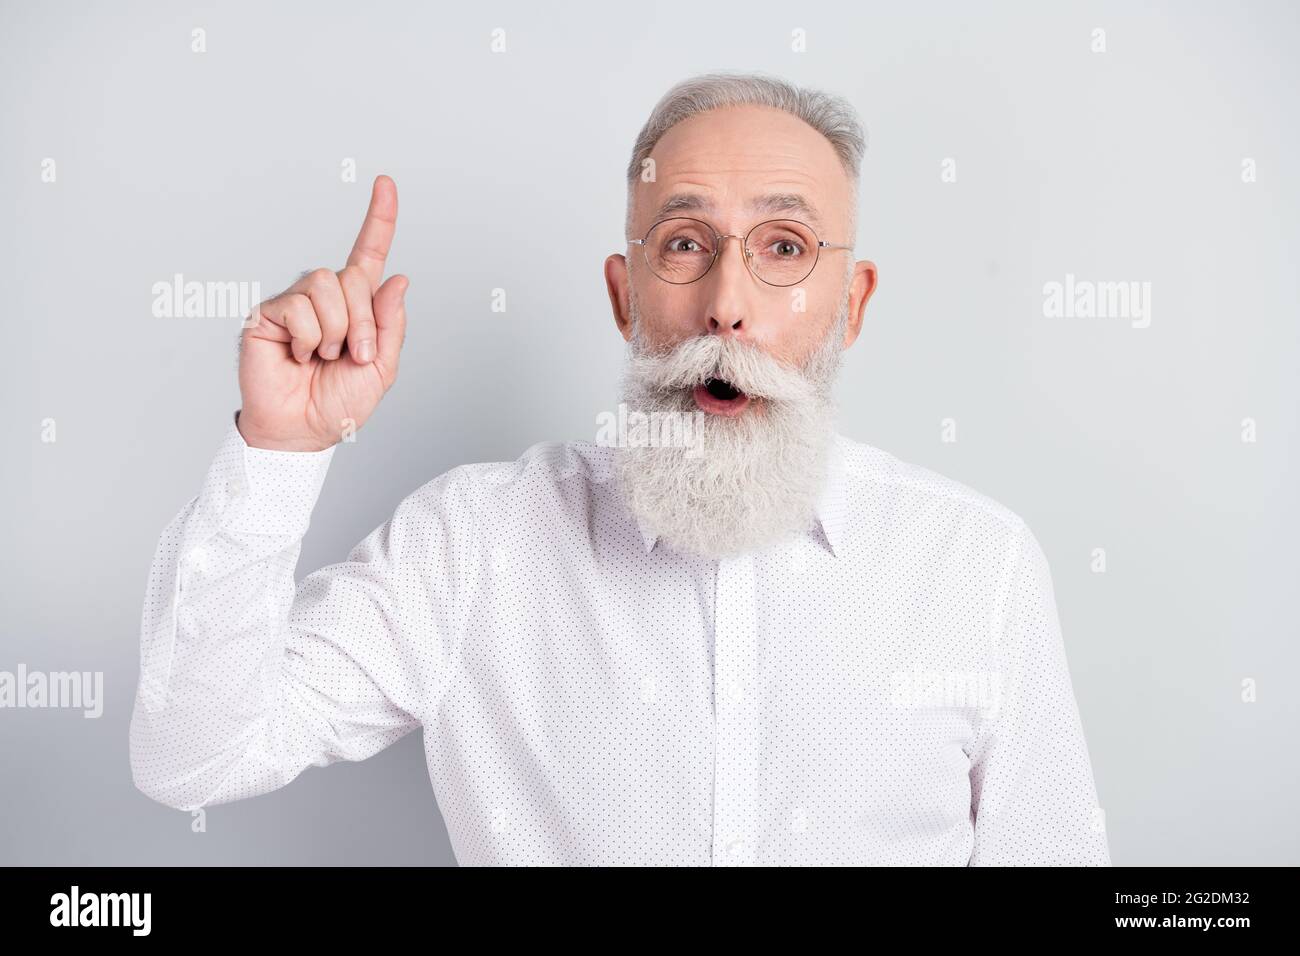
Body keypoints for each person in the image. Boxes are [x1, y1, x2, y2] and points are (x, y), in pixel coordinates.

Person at [129, 71, 1110, 866]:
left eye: (784, 246)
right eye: (684, 243)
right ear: (623, 292)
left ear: (850, 304)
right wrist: (280, 448)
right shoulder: (474, 545)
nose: (727, 303)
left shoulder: (976, 567)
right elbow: (193, 752)